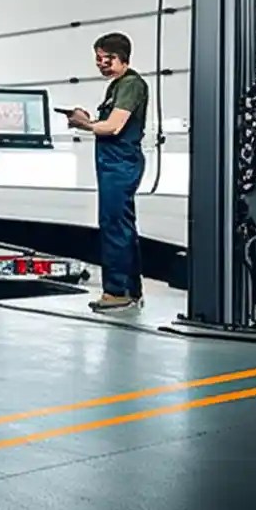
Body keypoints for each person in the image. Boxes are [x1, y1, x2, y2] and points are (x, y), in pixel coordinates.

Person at [65, 33, 149, 312]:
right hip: (115, 163)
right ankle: (130, 289)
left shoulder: (130, 85)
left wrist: (84, 124)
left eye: (107, 58)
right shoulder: (117, 86)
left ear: (124, 58)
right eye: (98, 59)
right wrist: (89, 121)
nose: (101, 64)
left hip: (120, 164)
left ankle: (117, 291)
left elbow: (113, 126)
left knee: (114, 226)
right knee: (121, 226)